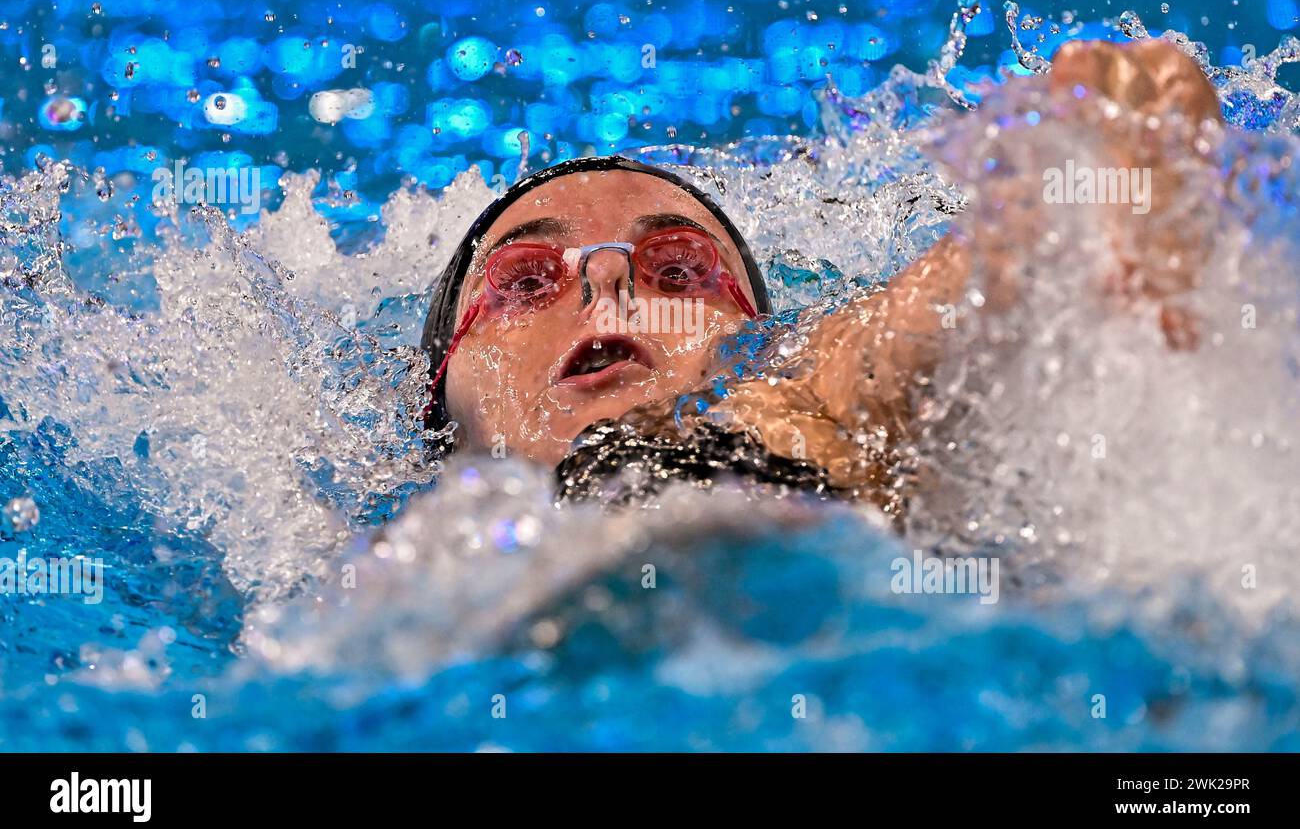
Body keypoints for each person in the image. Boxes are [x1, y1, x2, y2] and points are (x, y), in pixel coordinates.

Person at [420, 39, 1223, 507]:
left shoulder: (795, 412)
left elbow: (886, 344)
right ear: (438, 387)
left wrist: (1056, 212)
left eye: (678, 270)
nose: (610, 290)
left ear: (766, 338)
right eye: (525, 281)